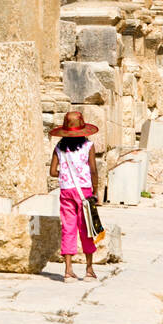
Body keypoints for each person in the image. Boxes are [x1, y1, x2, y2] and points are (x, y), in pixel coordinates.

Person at [49, 111, 100, 282]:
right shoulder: (88, 146)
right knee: (87, 228)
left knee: (68, 228)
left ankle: (68, 270)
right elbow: (93, 169)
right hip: (84, 191)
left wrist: (65, 174)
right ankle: (89, 269)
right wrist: (96, 190)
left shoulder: (59, 148)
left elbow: (52, 171)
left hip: (66, 191)